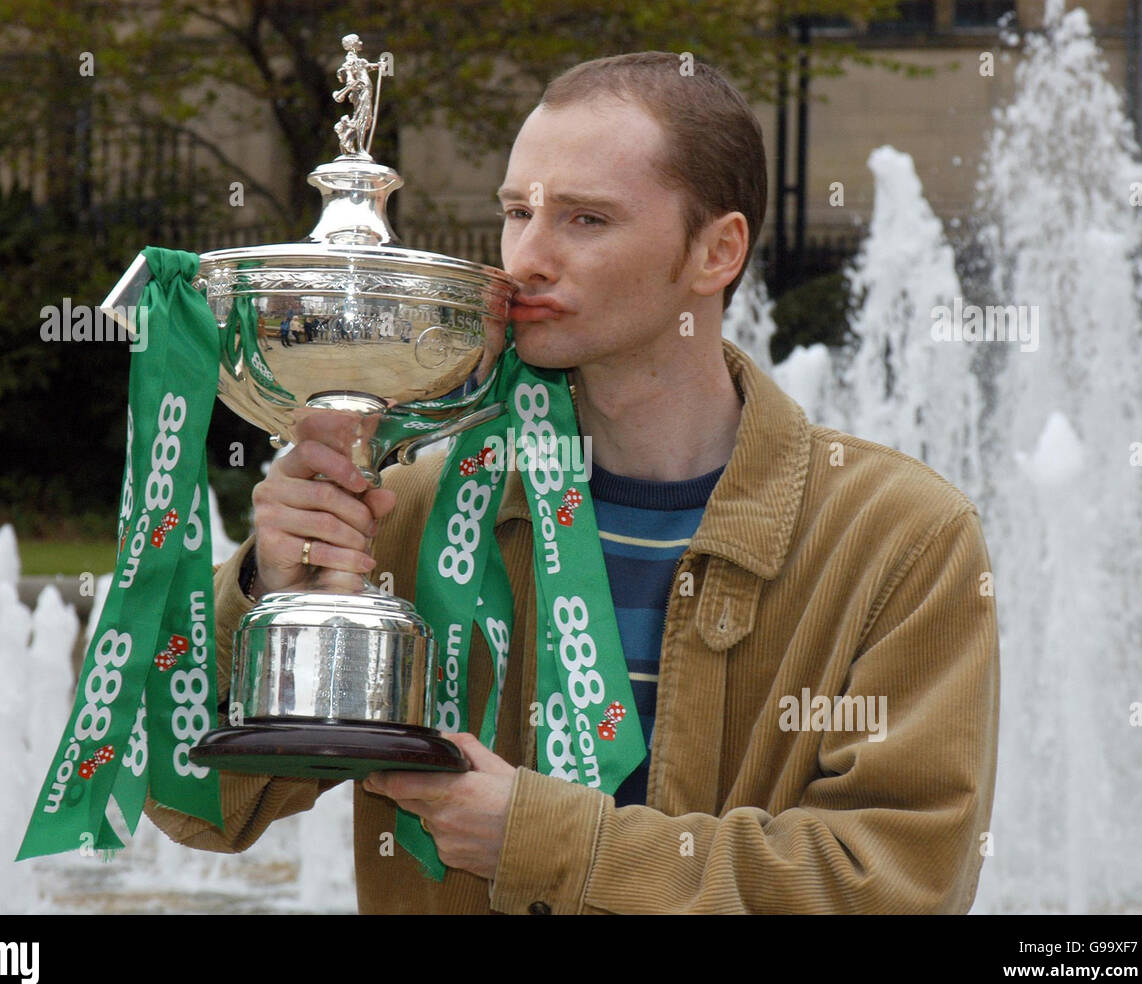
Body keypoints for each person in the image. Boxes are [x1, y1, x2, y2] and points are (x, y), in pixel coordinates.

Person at [145, 52, 1000, 914]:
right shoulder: (419, 510)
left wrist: (545, 843)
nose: (526, 258)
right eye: (518, 212)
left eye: (586, 218)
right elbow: (189, 801)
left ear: (717, 250)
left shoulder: (899, 538)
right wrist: (266, 591)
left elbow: (894, 886)